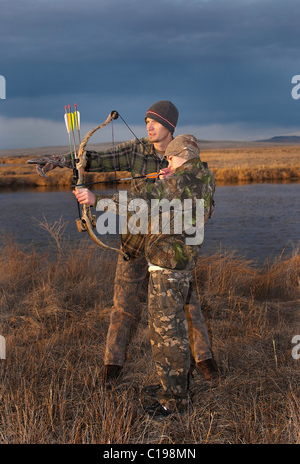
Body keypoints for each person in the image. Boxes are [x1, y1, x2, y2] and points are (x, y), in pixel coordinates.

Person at [29, 101, 218, 384]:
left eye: (155, 122)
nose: (149, 127)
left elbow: (201, 203)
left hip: (169, 248)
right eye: (146, 122)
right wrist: (63, 160)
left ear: (170, 128)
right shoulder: (136, 149)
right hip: (134, 242)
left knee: (189, 303)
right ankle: (112, 364)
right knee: (122, 305)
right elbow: (94, 159)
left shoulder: (183, 159)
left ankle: (204, 359)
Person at [117, 134, 216, 417]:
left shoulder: (177, 182)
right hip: (181, 265)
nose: (168, 163)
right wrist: (173, 174)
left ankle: (173, 401)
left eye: (171, 158)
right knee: (176, 331)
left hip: (167, 266)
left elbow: (138, 201)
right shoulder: (205, 177)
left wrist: (94, 199)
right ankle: (173, 386)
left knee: (166, 335)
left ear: (181, 155)